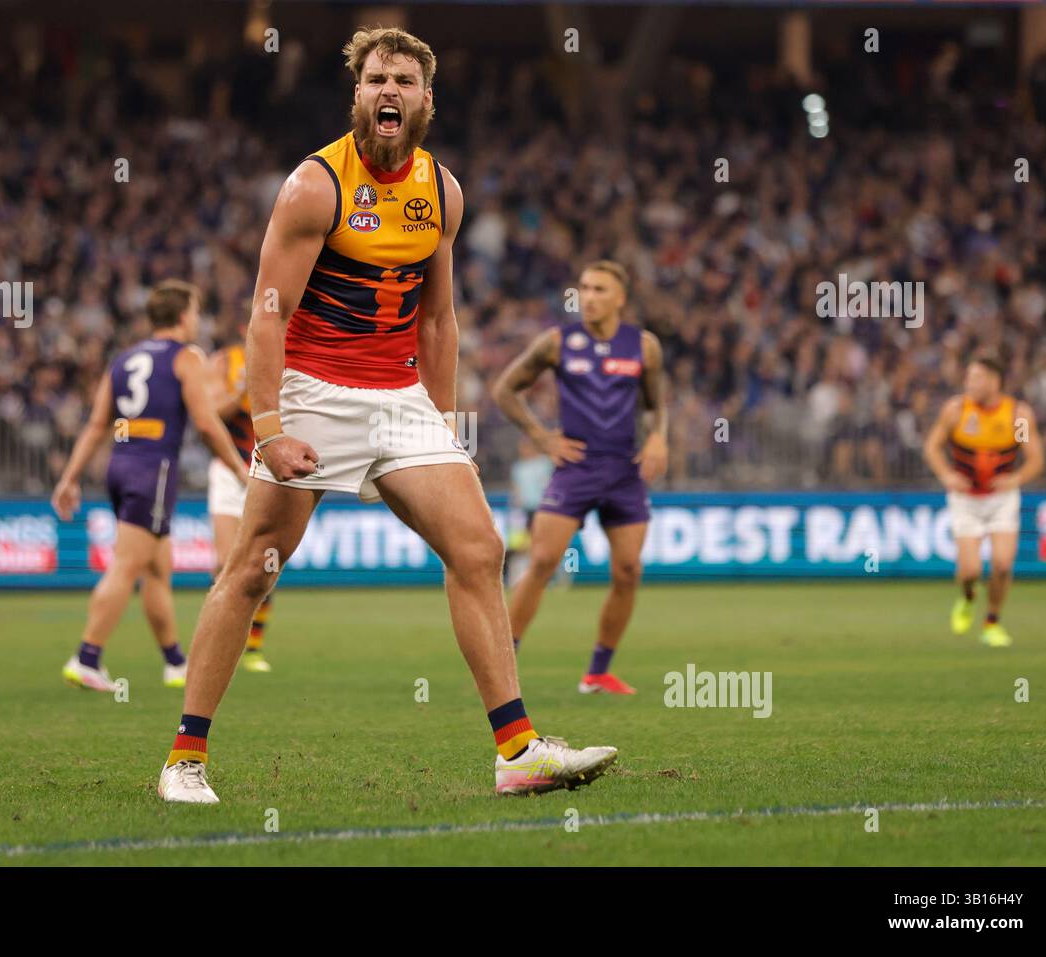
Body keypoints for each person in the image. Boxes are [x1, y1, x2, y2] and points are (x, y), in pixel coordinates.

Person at [158, 27, 617, 804]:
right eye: (376, 79)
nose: (389, 92)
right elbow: (268, 313)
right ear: (358, 94)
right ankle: (183, 760)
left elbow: (439, 321)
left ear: (427, 98)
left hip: (400, 398)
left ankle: (516, 750)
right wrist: (268, 426)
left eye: (404, 80)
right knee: (253, 569)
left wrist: (442, 422)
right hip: (312, 389)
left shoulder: (442, 189)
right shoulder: (315, 185)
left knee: (476, 548)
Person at [51, 280, 249, 690]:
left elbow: (96, 425)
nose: (197, 319)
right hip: (153, 469)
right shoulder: (187, 358)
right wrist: (238, 468)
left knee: (157, 568)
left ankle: (175, 662)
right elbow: (207, 423)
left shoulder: (124, 359)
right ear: (181, 316)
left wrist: (69, 477)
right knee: (127, 564)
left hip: (120, 466)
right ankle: (87, 656)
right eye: (195, 311)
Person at [493, 261, 668, 694]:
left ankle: (597, 673)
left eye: (599, 289)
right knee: (542, 562)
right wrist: (540, 436)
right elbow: (504, 390)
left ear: (620, 298)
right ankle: (500, 665)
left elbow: (655, 404)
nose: (588, 296)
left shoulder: (643, 347)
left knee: (628, 571)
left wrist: (659, 439)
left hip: (624, 472)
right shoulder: (558, 342)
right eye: (585, 288)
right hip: (574, 468)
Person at [924, 353, 1045, 647]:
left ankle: (991, 621)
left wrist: (1014, 479)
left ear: (995, 381)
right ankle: (967, 598)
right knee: (970, 572)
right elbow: (932, 447)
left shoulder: (1017, 415)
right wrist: (946, 475)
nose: (969, 383)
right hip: (965, 499)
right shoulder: (956, 411)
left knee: (1002, 564)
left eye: (976, 378)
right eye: (968, 377)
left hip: (1001, 499)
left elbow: (1035, 459)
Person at [208, 324, 276, 673]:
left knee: (266, 559)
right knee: (225, 563)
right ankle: (216, 642)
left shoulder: (285, 355)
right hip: (229, 466)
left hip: (267, 468)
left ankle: (252, 647)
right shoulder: (225, 362)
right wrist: (242, 390)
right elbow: (210, 414)